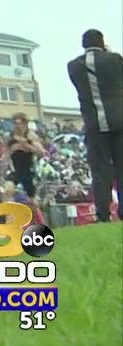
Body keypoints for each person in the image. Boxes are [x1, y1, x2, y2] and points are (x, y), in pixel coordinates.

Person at [67, 29, 123, 222]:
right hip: (119, 121)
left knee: (100, 172)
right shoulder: (115, 59)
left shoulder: (73, 66)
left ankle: (102, 214)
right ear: (103, 43)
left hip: (94, 126)